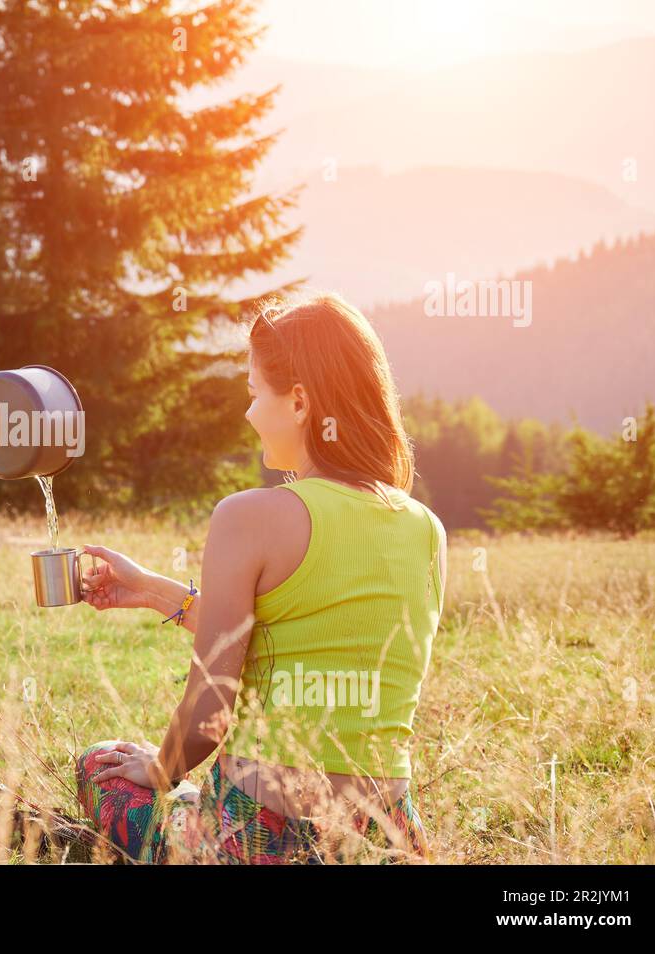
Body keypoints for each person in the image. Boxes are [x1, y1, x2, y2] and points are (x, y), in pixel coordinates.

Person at [76, 293, 444, 864]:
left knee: (101, 764)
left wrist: (159, 769)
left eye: (253, 394)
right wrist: (152, 589)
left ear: (299, 402)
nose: (248, 413)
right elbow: (296, 635)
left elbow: (209, 713)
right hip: (387, 840)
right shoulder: (426, 528)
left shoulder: (247, 515)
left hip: (259, 838)